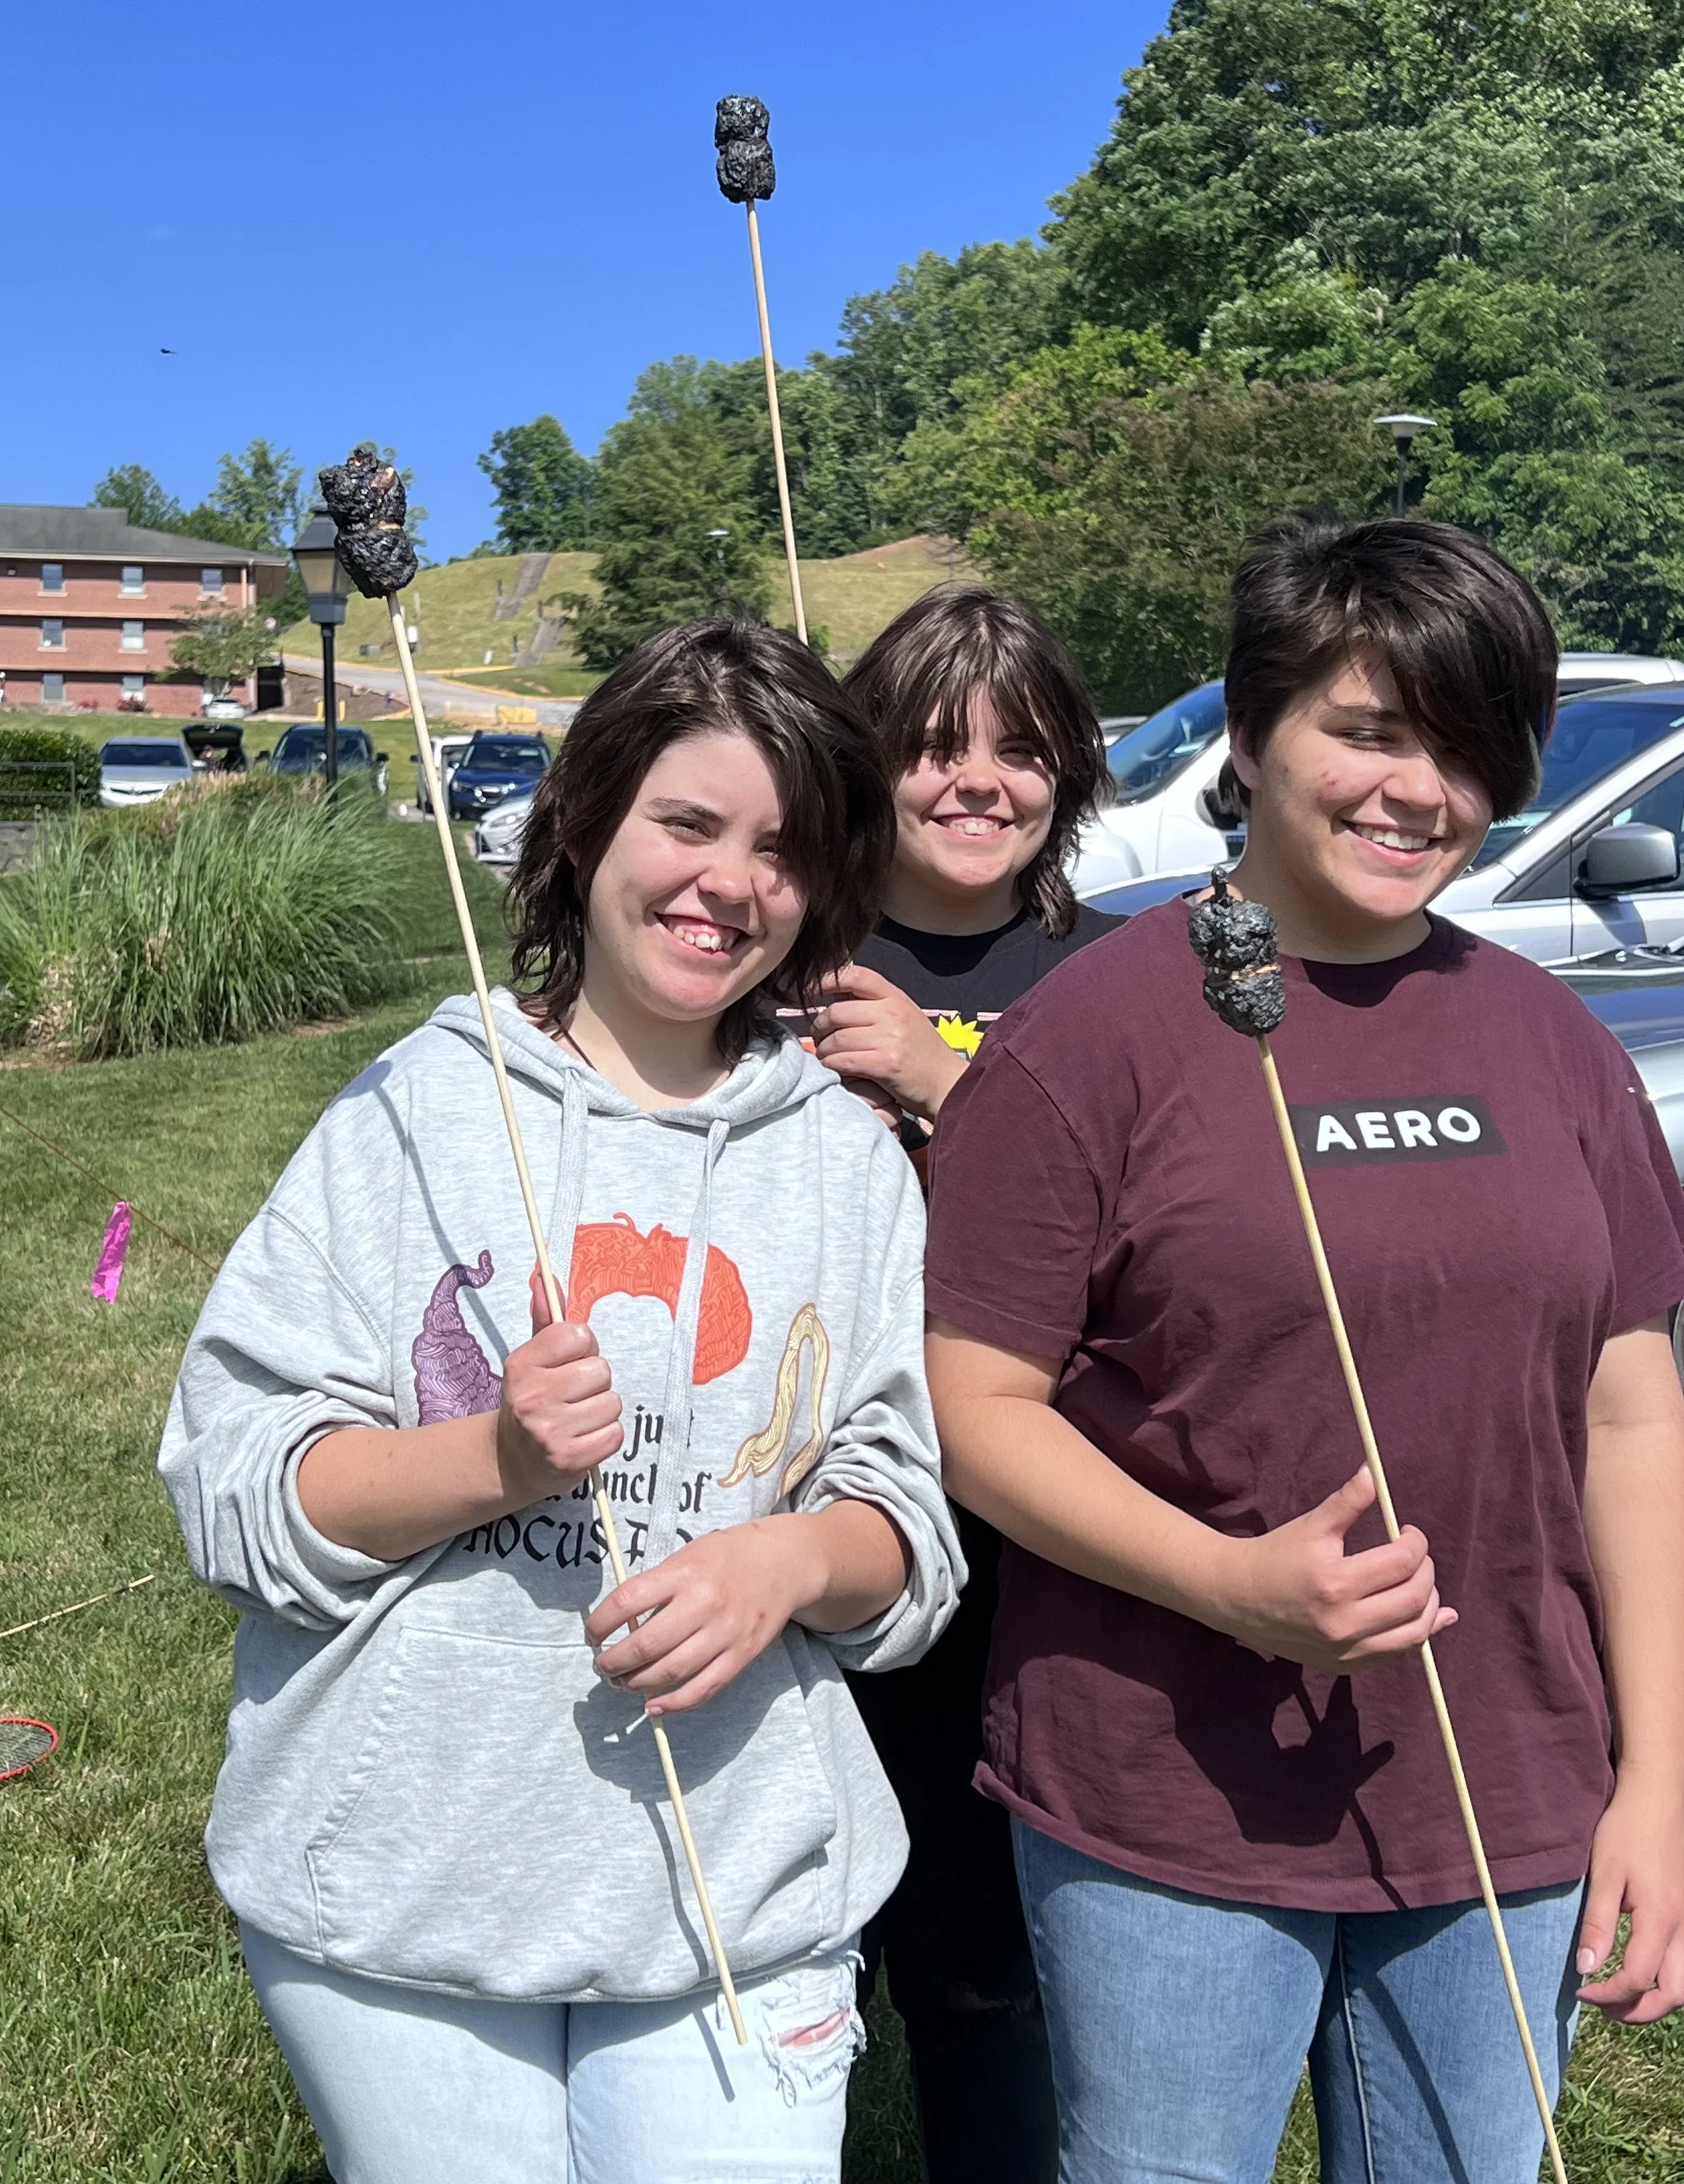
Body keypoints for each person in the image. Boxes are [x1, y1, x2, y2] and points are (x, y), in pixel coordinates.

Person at [924, 516, 1684, 2183]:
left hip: (1507, 1780)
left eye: (1472, 749)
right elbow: (977, 1406)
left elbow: (1629, 1413)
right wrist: (1229, 1584)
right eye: (1368, 729)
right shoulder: (1085, 1036)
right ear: (1253, 732)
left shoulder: (1552, 1045)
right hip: (1164, 1801)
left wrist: (1657, 1775)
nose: (1421, 789)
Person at [159, 618, 963, 2184]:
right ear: (586, 817)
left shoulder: (846, 1158)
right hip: (398, 1893)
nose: (727, 884)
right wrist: (497, 1453)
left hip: (740, 1889)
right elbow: (234, 1487)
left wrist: (790, 1562)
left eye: (782, 851)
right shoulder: (407, 1108)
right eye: (686, 821)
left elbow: (907, 1522)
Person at [809, 587, 1115, 2184]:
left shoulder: (1120, 974)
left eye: (1019, 747)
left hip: (1038, 1537)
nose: (975, 779)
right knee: (804, 1942)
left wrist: (945, 1085)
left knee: (984, 1961)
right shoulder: (786, 950)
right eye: (931, 745)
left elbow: (1170, 1232)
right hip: (820, 1513)